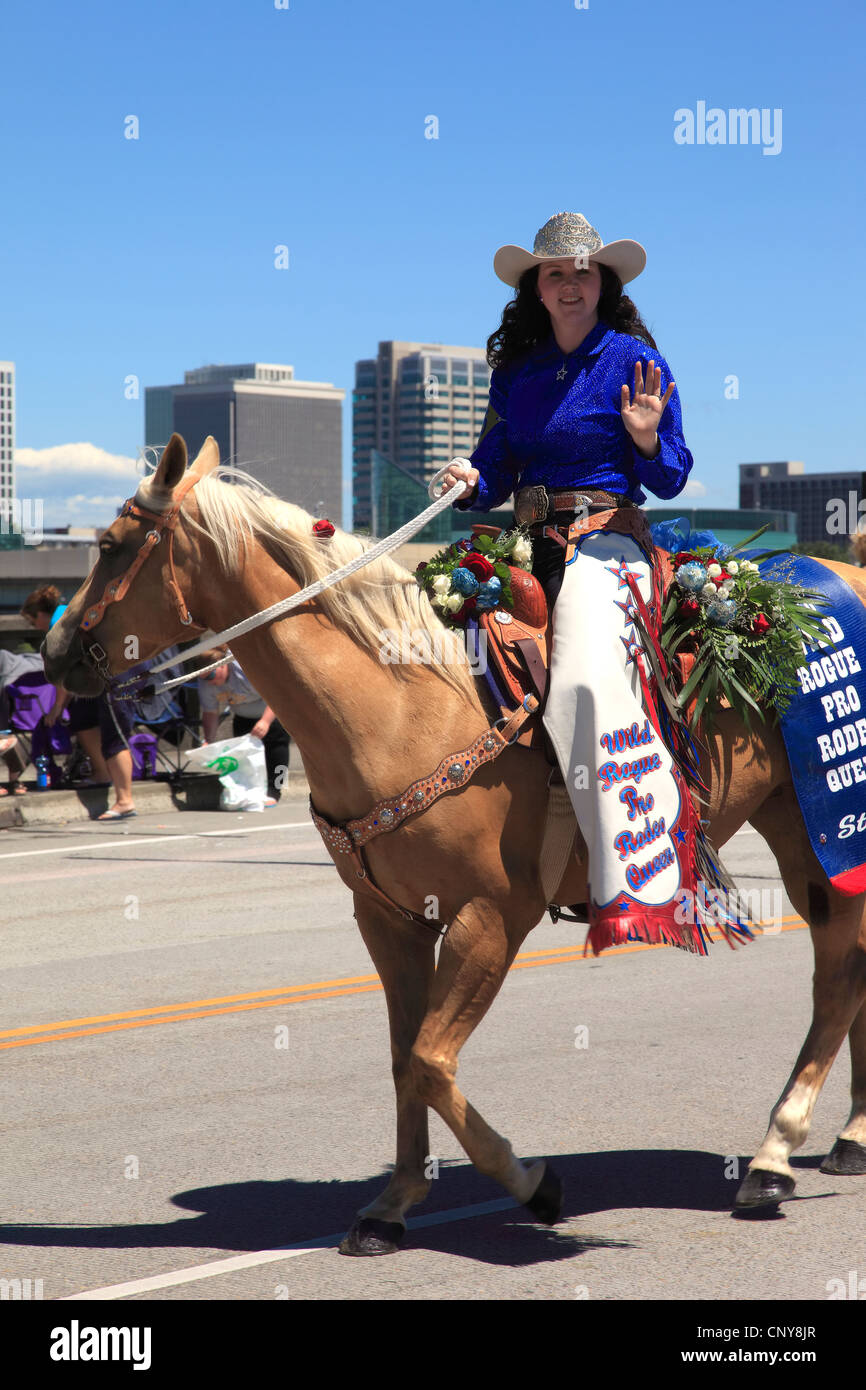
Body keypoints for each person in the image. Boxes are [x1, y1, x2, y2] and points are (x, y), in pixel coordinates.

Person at [438, 210, 700, 950]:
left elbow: (673, 474)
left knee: (582, 680)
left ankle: (631, 882)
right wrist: (469, 474)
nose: (572, 282)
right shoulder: (517, 374)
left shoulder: (634, 362)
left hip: (604, 541)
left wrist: (647, 436)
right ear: (538, 289)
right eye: (557, 272)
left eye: (584, 270)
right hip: (525, 542)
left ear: (603, 281)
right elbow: (495, 465)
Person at [20, 585, 135, 818]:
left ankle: (125, 800)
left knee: (115, 737)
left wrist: (56, 708)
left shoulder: (60, 624)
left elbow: (64, 675)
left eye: (33, 623)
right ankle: (102, 775)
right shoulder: (68, 612)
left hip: (114, 676)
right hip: (101, 675)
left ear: (40, 614)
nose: (36, 628)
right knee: (82, 720)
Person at [197, 648, 290, 806]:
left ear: (221, 665)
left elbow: (278, 692)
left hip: (273, 713)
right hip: (242, 718)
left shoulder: (244, 669)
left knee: (277, 754)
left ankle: (276, 791)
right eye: (204, 678)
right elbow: (210, 712)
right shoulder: (206, 683)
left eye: (211, 675)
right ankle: (252, 790)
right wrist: (209, 739)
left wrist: (265, 721)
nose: (210, 682)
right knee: (246, 759)